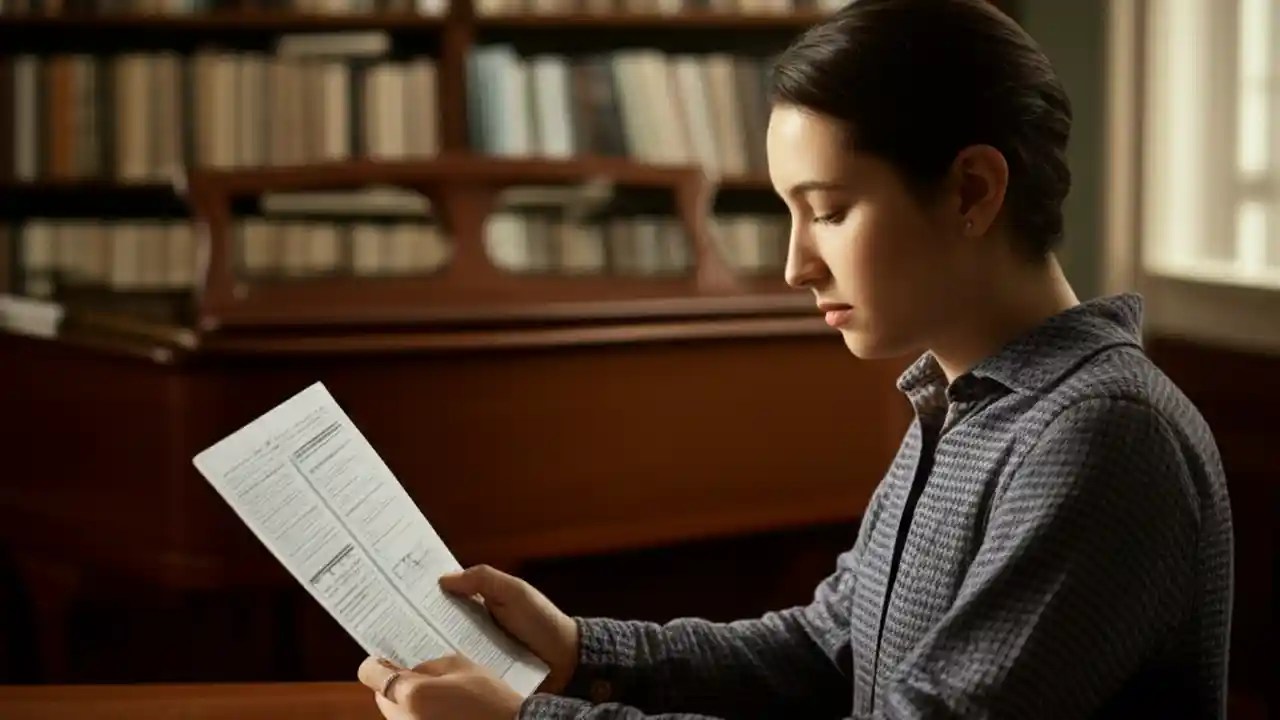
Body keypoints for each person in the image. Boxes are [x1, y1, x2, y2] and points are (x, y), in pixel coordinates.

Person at [356, 0, 1234, 717]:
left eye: (830, 211)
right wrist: (581, 650)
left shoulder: (1101, 436)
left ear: (972, 190)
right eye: (790, 212)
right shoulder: (960, 401)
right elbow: (826, 649)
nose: (794, 265)